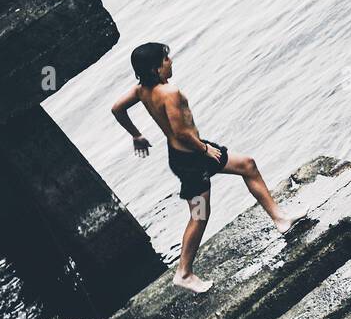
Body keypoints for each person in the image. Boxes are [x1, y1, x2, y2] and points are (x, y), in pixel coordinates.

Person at [110, 42, 304, 293]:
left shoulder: (141, 91)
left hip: (187, 155)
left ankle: (280, 218)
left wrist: (136, 135)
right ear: (157, 67)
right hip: (192, 157)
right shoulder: (169, 93)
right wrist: (204, 150)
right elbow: (180, 132)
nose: (171, 62)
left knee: (247, 165)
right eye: (166, 59)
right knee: (199, 215)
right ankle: (184, 273)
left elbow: (117, 108)